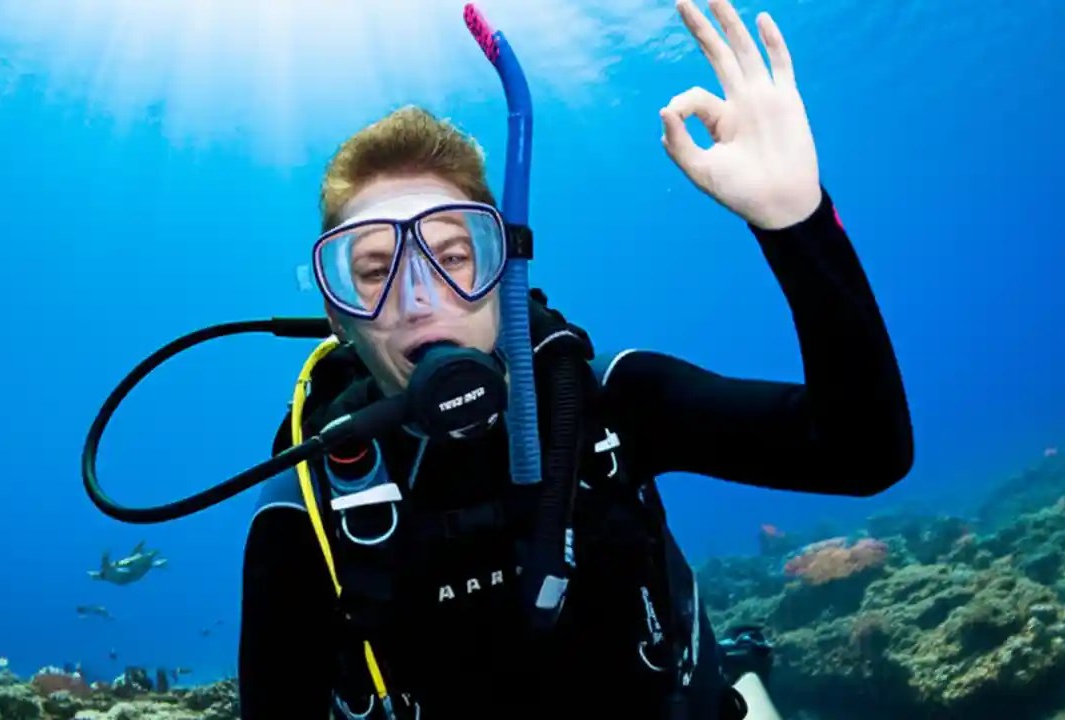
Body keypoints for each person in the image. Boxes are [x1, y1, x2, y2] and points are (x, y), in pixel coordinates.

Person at [238, 0, 913, 717]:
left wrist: (798, 225)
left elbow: (865, 454)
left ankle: (743, 673)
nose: (419, 297)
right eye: (373, 270)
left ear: (504, 276)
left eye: (456, 255)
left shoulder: (605, 403)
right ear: (339, 314)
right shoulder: (307, 512)